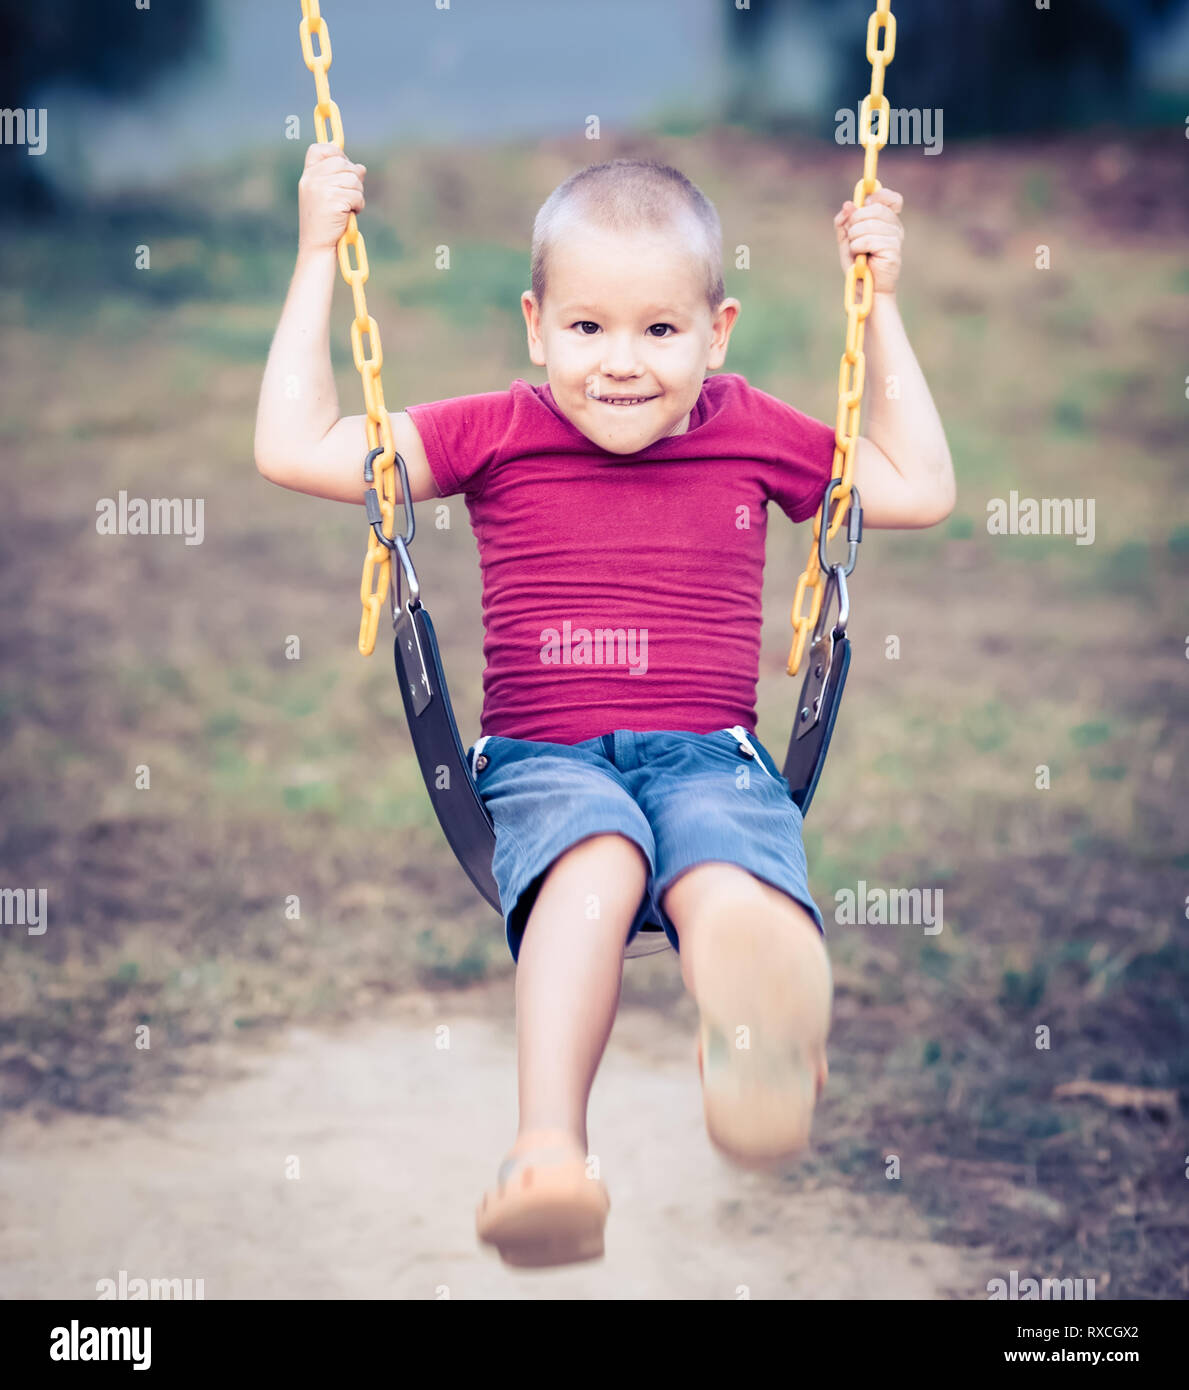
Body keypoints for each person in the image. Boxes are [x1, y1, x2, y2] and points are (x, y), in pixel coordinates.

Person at [255, 145, 954, 1270]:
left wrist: (883, 310)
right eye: (587, 329)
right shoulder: (493, 432)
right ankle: (549, 1156)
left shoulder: (752, 428)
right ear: (535, 325)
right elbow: (295, 448)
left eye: (659, 331)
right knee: (598, 863)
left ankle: (756, 1016)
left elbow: (917, 488)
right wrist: (312, 257)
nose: (619, 364)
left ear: (716, 331)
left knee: (722, 873)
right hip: (545, 761)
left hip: (712, 758)